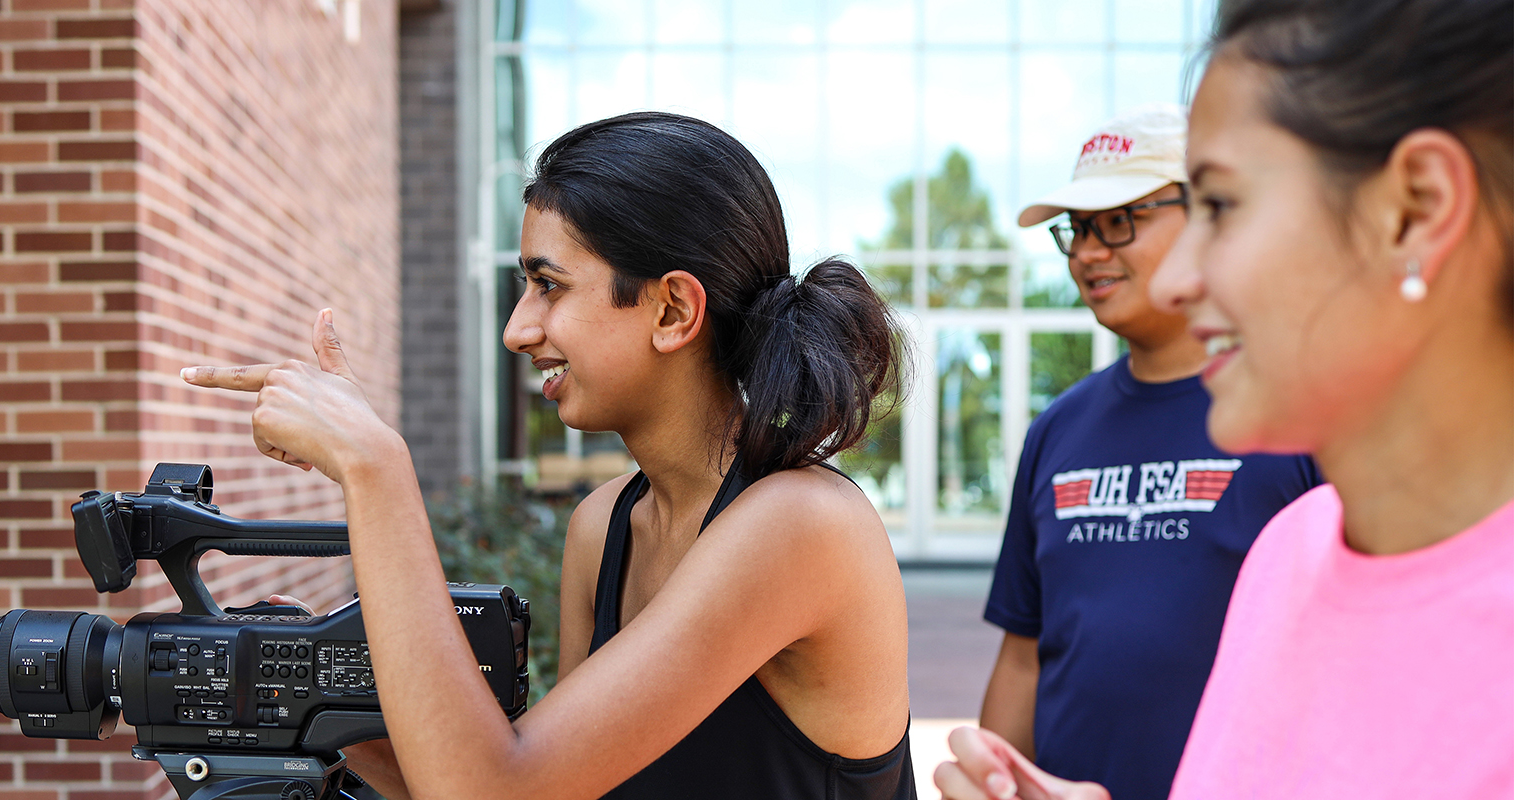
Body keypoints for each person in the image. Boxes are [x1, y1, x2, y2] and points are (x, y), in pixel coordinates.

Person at [185, 111, 916, 799]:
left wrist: (374, 467)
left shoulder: (803, 526)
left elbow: (498, 789)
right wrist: (315, 708)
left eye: (547, 285)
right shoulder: (604, 529)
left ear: (673, 311)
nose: (517, 329)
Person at [936, 0, 1514, 798]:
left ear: (1416, 209)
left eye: (1222, 205)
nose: (1177, 278)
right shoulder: (1292, 557)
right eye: (1080, 230)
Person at [979, 104, 1321, 800]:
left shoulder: (1300, 415)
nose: (1087, 253)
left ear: (1211, 216)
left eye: (1118, 222)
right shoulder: (1058, 430)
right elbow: (1023, 655)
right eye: (1076, 230)